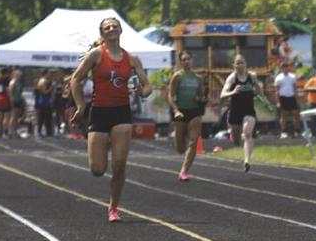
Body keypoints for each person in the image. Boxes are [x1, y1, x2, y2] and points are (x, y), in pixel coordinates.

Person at [70, 17, 152, 222]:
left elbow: (147, 87)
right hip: (99, 113)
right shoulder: (96, 55)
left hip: (121, 113)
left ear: (120, 30)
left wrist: (142, 92)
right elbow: (75, 79)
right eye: (107, 27)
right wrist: (80, 106)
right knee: (97, 169)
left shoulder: (132, 59)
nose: (111, 29)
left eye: (114, 26)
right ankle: (105, 143)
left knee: (120, 164)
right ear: (102, 33)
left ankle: (113, 208)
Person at [166, 50, 207, 181]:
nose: (186, 61)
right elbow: (170, 95)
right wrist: (176, 110)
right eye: (184, 59)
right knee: (180, 148)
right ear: (181, 62)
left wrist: (201, 97)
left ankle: (184, 171)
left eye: (188, 59)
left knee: (193, 141)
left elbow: (201, 95)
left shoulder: (197, 78)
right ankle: (183, 149)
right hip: (181, 112)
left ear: (192, 60)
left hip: (194, 112)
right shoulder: (177, 76)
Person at [220, 54, 261, 172]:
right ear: (234, 65)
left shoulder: (251, 76)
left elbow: (258, 92)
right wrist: (233, 92)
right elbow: (222, 95)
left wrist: (256, 84)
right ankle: (235, 138)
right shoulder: (232, 78)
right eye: (237, 63)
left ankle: (247, 161)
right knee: (237, 141)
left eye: (242, 62)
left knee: (247, 134)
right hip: (235, 111)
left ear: (246, 64)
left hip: (249, 110)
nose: (240, 65)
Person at [274, 62, 300, 138]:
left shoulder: (293, 76)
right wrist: (278, 102)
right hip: (283, 98)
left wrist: (297, 99)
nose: (285, 68)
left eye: (286, 67)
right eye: (283, 67)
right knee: (283, 115)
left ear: (288, 68)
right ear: (281, 68)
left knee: (296, 114)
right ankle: (283, 132)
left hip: (292, 97)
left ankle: (297, 131)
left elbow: (295, 88)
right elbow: (277, 91)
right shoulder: (278, 78)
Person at [34, 69, 54, 138]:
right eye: (48, 73)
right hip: (44, 101)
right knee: (43, 117)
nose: (49, 75)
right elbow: (44, 92)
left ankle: (47, 132)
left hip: (44, 100)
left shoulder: (43, 80)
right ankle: (41, 132)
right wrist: (51, 87)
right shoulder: (43, 81)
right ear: (45, 73)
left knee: (46, 117)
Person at [7, 68, 25, 138]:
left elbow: (19, 92)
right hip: (14, 101)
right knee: (13, 116)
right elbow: (10, 92)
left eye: (20, 75)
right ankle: (10, 131)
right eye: (18, 75)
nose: (19, 76)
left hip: (18, 100)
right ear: (15, 75)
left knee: (17, 117)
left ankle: (15, 131)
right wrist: (11, 101)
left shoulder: (18, 83)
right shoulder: (12, 82)